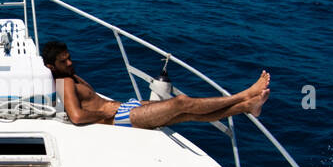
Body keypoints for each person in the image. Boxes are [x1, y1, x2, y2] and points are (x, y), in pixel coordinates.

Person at [40, 40, 269, 129]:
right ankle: (245, 94)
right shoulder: (64, 82)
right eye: (64, 61)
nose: (70, 63)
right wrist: (104, 114)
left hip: (125, 107)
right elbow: (77, 116)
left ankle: (247, 107)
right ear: (51, 66)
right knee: (181, 102)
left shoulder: (70, 75)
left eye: (69, 57)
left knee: (188, 114)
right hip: (121, 117)